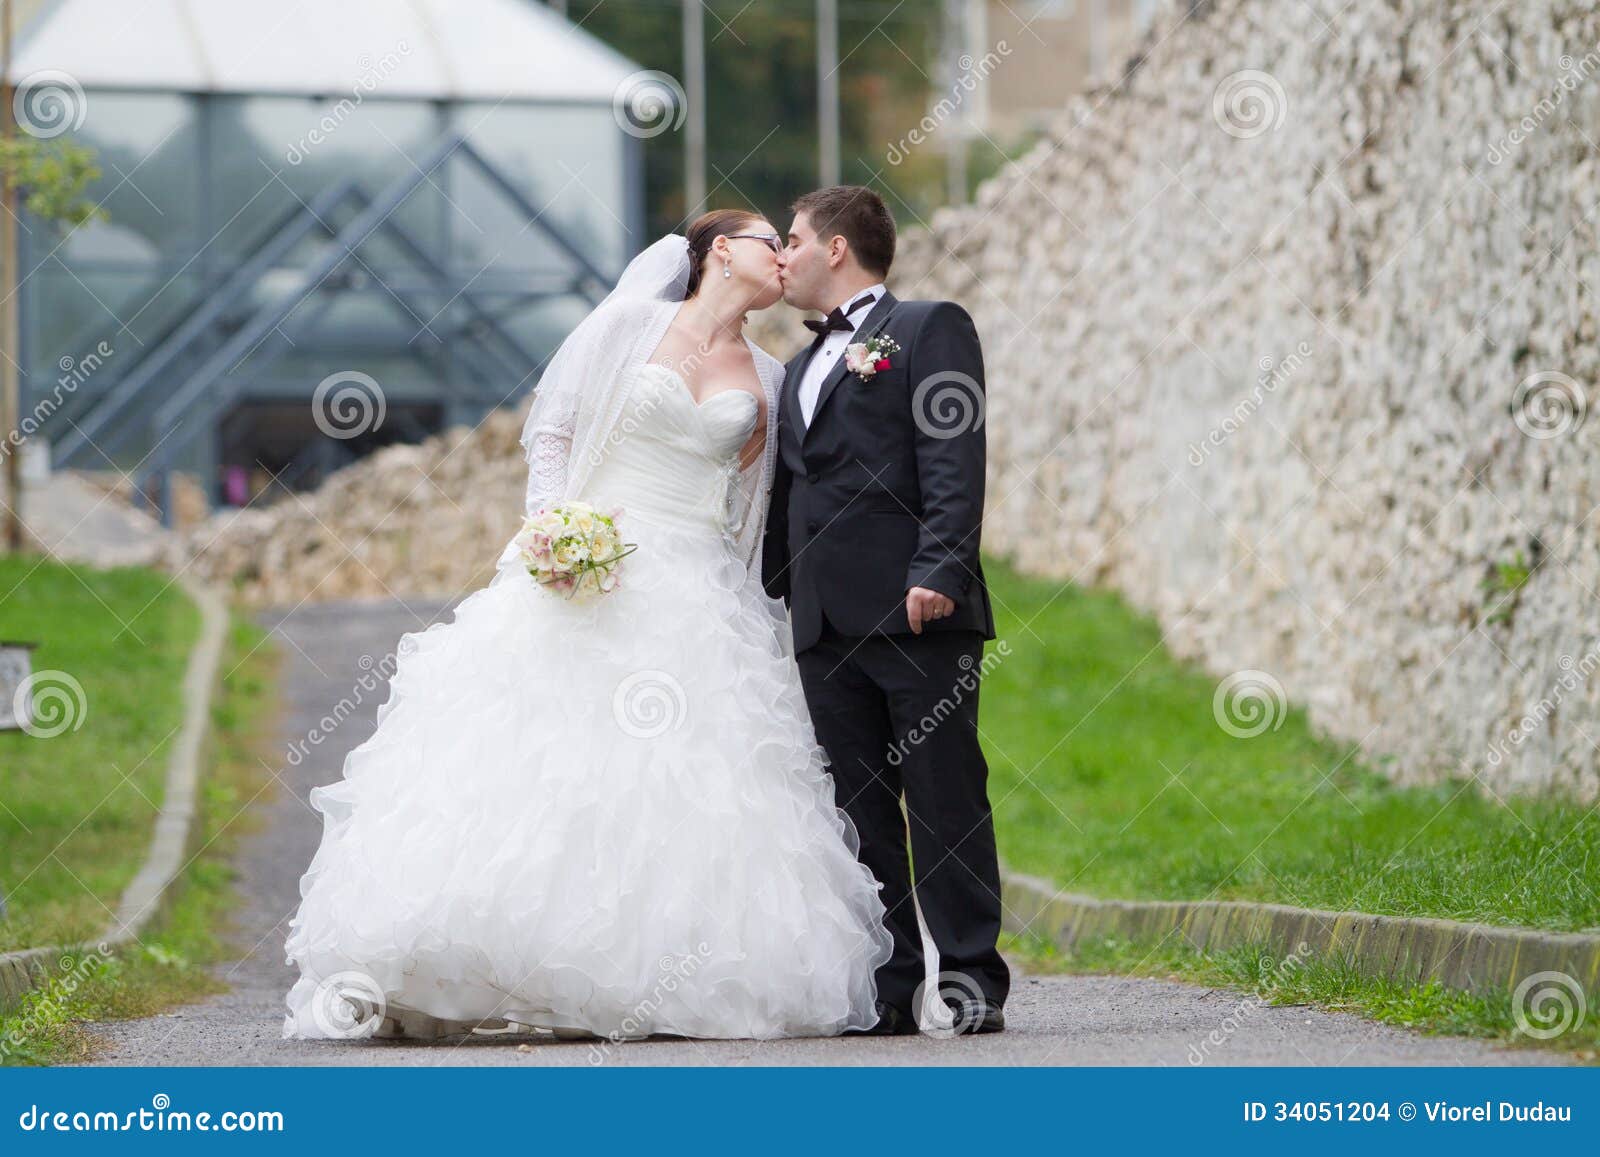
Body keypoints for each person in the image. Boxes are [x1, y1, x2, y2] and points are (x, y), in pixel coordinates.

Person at [282, 211, 893, 1043]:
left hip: (697, 586)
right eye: (767, 241)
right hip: (588, 564)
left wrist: (748, 605)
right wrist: (550, 535)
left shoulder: (767, 374)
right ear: (720, 250)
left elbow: (750, 507)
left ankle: (654, 975)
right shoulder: (626, 326)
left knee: (682, 781)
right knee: (543, 764)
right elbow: (556, 432)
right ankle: (480, 962)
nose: (783, 256)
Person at [764, 186, 1009, 1036]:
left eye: (792, 239)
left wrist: (941, 563)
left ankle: (973, 978)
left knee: (945, 798)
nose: (781, 254)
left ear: (836, 248)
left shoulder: (928, 327)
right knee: (859, 812)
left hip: (916, 611)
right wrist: (773, 594)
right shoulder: (796, 368)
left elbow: (954, 449)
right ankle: (893, 985)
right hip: (822, 623)